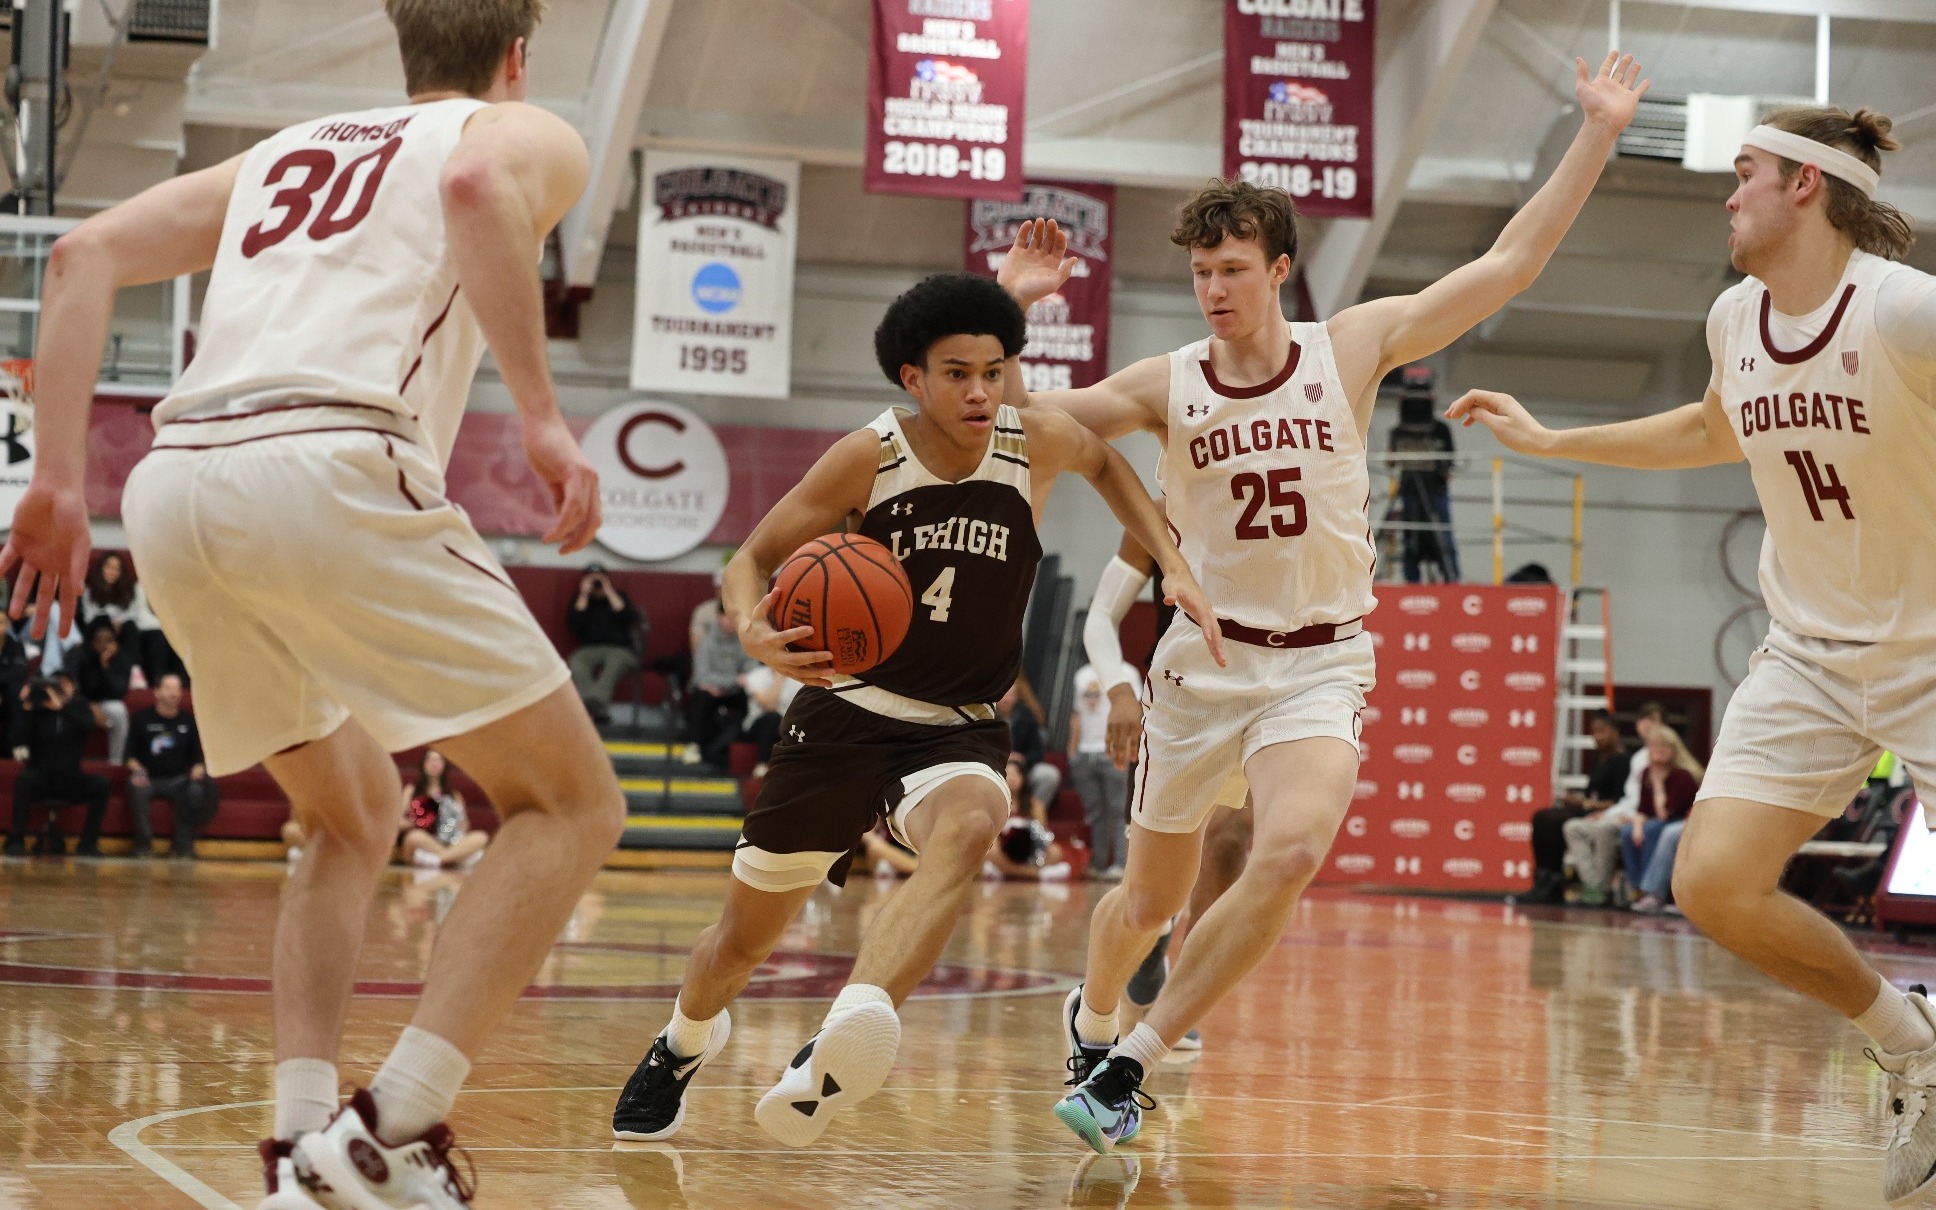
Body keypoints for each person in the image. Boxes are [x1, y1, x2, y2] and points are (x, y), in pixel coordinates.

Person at [0, 2, 628, 1205]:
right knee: (572, 805)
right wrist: (544, 419)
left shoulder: (286, 151)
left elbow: (82, 255)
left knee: (353, 811)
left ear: (403, 46)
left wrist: (58, 484)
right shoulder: (516, 129)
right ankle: (390, 1128)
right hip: (328, 461)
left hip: (177, 490)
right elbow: (475, 183)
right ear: (517, 57)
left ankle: (301, 1149)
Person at [996, 53, 1650, 1152]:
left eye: (1232, 268)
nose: (1214, 288)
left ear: (1280, 269)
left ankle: (1130, 1063)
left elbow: (1511, 261)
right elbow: (1029, 429)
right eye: (1200, 271)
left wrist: (1596, 131)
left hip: (1319, 661)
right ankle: (1094, 1016)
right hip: (1203, 666)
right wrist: (1012, 311)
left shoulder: (1349, 345)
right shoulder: (1167, 382)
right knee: (1144, 904)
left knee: (1290, 851)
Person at [1446, 103, 1936, 1204]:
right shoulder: (1733, 318)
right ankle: (1911, 1044)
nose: (1727, 192)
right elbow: (1715, 428)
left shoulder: (1904, 311)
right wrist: (1552, 440)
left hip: (1931, 646)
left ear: (1804, 186)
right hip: (1809, 653)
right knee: (1711, 883)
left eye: (1745, 171)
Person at [608, 270, 1220, 1151]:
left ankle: (843, 1034)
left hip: (959, 723)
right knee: (737, 946)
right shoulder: (870, 456)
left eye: (993, 372)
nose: (979, 392)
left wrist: (1176, 565)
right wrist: (751, 630)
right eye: (957, 374)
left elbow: (1111, 469)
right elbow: (749, 562)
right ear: (913, 379)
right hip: (844, 717)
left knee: (970, 826)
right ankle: (682, 1042)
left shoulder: (1036, 442)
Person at [1080, 515, 1253, 1056]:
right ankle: (1150, 943)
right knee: (1157, 886)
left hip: (1264, 692)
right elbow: (1100, 618)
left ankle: (1175, 996)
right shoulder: (1159, 511)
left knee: (1230, 844)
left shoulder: (1283, 485)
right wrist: (1118, 691)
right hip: (1181, 701)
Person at [1562, 703, 1663, 906]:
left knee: (1605, 829)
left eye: (1652, 720)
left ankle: (1604, 887)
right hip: (1625, 812)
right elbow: (1628, 797)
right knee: (1573, 827)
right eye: (1643, 721)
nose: (1647, 725)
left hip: (1644, 816)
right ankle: (1594, 885)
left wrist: (1633, 816)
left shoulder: (1665, 753)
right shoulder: (1638, 759)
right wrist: (1609, 812)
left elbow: (1657, 796)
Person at [1525, 710, 1628, 904]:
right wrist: (1576, 799)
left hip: (1605, 812)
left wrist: (1585, 803)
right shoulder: (1597, 758)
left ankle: (1554, 883)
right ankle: (1545, 879)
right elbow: (1591, 792)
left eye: (1602, 731)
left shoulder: (1623, 761)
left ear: (1615, 731)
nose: (1598, 737)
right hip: (1588, 806)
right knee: (1541, 817)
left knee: (1551, 820)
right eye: (1594, 732)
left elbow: (1620, 800)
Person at [4, 674, 109, 857]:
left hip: (71, 778)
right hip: (41, 777)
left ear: (73, 688)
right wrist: (25, 709)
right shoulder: (38, 710)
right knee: (24, 780)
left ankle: (88, 843)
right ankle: (16, 840)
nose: (61, 687)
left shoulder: (79, 707)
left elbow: (88, 726)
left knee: (102, 785)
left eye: (66, 684)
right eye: (57, 684)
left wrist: (62, 708)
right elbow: (16, 740)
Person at [127, 672, 218, 859]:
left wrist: (198, 767)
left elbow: (197, 757)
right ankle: (143, 845)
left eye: (177, 689)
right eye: (168, 688)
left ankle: (183, 845)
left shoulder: (189, 721)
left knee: (197, 790)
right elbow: (128, 756)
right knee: (136, 786)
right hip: (149, 778)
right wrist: (139, 770)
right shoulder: (141, 718)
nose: (174, 693)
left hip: (178, 780)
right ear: (157, 692)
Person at [1385, 365, 1460, 582]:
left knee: (1444, 538)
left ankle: (1452, 581)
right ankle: (1412, 584)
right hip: (1409, 492)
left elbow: (1449, 464)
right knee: (1411, 538)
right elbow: (1391, 461)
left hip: (1435, 491)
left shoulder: (1441, 430)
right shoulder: (1398, 431)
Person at [1618, 726, 1699, 911]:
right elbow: (1642, 809)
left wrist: (1658, 784)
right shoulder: (1647, 772)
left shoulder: (1682, 775)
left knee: (1653, 830)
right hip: (1658, 821)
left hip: (1680, 820)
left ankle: (1653, 892)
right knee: (1628, 833)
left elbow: (1665, 813)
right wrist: (1637, 826)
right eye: (1654, 746)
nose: (1659, 750)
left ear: (1674, 749)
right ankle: (1638, 888)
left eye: (1664, 746)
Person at [1068, 662, 1137, 879]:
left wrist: (1128, 748)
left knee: (1118, 810)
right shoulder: (1081, 675)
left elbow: (1135, 713)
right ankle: (1098, 863)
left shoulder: (1127, 673)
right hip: (1085, 753)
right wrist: (1072, 751)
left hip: (1113, 751)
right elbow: (1077, 714)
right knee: (1095, 813)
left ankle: (1120, 863)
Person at [81, 551, 178, 684]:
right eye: (109, 567)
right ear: (101, 568)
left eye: (116, 569)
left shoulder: (127, 591)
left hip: (121, 627)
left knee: (130, 626)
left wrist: (119, 622)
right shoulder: (89, 590)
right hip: (98, 627)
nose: (112, 572)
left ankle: (134, 670)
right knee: (102, 619)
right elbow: (88, 617)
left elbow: (132, 613)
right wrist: (110, 620)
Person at [566, 564, 641, 724]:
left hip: (619, 650)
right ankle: (597, 708)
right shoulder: (580, 600)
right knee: (576, 661)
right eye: (592, 579)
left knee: (613, 666)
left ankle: (590, 706)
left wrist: (608, 591)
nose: (596, 583)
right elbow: (574, 626)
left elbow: (629, 618)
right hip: (589, 649)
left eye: (599, 579)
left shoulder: (619, 596)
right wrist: (584, 595)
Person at [684, 606, 753, 768]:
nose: (730, 622)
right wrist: (734, 680)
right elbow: (701, 677)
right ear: (719, 617)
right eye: (727, 617)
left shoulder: (744, 641)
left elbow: (751, 670)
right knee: (702, 696)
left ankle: (735, 742)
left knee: (750, 698)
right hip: (711, 690)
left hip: (734, 691)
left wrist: (730, 683)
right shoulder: (706, 641)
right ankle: (694, 745)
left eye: (734, 618)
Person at [397, 748, 487, 870]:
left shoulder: (454, 794)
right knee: (414, 837)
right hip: (424, 842)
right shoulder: (411, 790)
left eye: (438, 760)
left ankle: (439, 859)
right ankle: (457, 858)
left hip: (448, 841)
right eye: (430, 760)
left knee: (481, 837)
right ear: (423, 764)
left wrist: (456, 824)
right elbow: (398, 823)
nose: (434, 764)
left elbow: (464, 824)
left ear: (444, 766)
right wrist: (419, 820)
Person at [987, 753, 1071, 881]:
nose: (1012, 778)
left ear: (1023, 778)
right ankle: (1037, 874)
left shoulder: (1035, 804)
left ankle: (1005, 871)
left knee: (1056, 852)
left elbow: (1042, 833)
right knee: (990, 851)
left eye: (1016, 774)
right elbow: (991, 835)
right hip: (1003, 849)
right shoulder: (995, 804)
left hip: (1029, 851)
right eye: (1008, 774)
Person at [66, 617, 134, 763]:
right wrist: (89, 706)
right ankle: (71, 761)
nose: (103, 645)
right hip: (78, 702)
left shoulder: (121, 658)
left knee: (119, 710)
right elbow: (71, 687)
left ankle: (116, 762)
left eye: (108, 640)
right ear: (91, 641)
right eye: (99, 640)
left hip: (105, 703)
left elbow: (119, 692)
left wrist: (105, 667)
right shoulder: (77, 654)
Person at [996, 674, 1060, 806]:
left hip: (1022, 769)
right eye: (1003, 695)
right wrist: (1003, 757)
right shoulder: (986, 717)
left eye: (1010, 695)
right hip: (993, 766)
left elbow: (1036, 750)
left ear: (1017, 696)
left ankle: (1031, 809)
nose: (1006, 699)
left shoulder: (1026, 716)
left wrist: (1023, 759)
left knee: (1050, 775)